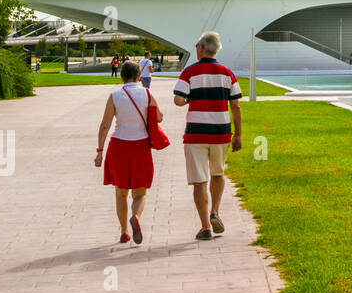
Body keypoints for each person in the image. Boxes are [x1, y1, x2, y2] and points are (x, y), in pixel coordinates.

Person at [173, 31, 243, 241]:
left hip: (196, 133)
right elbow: (236, 106)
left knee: (199, 181)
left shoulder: (189, 72)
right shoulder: (227, 73)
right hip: (221, 133)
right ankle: (215, 212)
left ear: (201, 48)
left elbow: (178, 100)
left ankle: (205, 227)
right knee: (218, 173)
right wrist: (238, 134)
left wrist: (189, 100)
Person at [95, 60, 160, 245]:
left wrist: (100, 151)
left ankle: (124, 232)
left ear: (122, 76)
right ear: (139, 76)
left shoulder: (115, 95)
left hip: (119, 146)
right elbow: (159, 116)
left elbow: (105, 125)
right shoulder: (147, 94)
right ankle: (136, 217)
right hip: (140, 146)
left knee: (121, 193)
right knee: (140, 193)